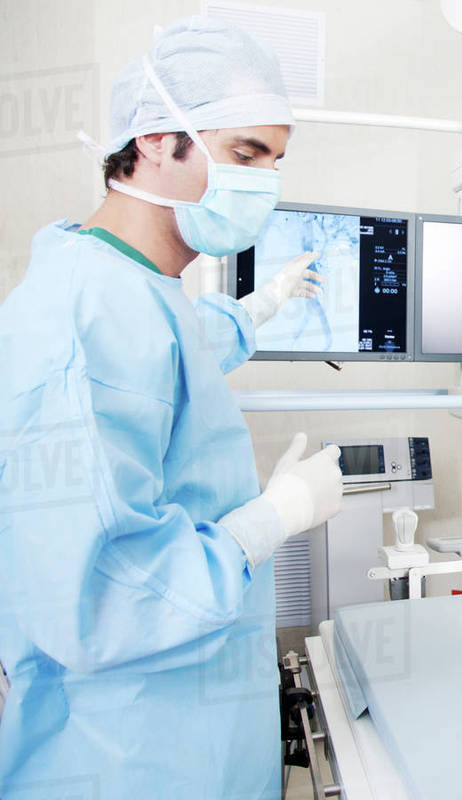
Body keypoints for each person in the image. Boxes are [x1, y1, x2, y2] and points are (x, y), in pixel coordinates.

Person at [0, 17, 344, 799]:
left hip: (194, 736)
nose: (264, 182)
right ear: (155, 138)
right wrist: (275, 518)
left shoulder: (134, 287)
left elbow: (170, 358)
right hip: (122, 756)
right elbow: (98, 599)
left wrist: (255, 310)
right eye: (246, 154)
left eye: (276, 160)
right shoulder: (78, 315)